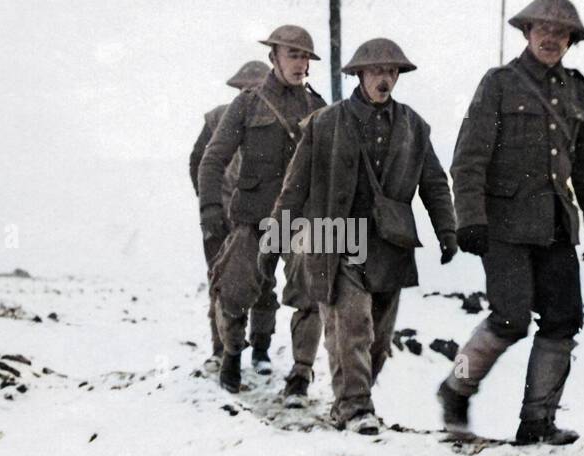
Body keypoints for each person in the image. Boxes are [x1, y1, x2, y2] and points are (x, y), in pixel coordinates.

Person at [439, 0, 584, 444]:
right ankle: (455, 387)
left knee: (563, 319)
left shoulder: (576, 89)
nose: (551, 38)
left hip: (555, 224)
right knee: (510, 318)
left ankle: (537, 422)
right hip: (504, 224)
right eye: (542, 30)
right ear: (527, 34)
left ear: (571, 40)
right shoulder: (499, 83)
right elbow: (468, 157)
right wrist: (469, 218)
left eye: (561, 32)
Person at [272, 38, 456, 432]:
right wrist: (275, 238)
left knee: (378, 341)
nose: (385, 78)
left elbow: (435, 183)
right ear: (359, 74)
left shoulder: (413, 126)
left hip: (390, 243)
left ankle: (353, 399)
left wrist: (447, 231)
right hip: (336, 239)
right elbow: (294, 187)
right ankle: (355, 405)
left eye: (391, 71)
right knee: (350, 326)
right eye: (376, 70)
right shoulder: (324, 123)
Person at [197, 26, 326, 393]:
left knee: (310, 291)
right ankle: (233, 355)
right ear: (274, 57)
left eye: (305, 57)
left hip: (298, 221)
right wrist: (210, 208)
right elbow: (212, 160)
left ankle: (301, 372)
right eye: (293, 55)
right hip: (252, 218)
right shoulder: (247, 104)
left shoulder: (317, 107)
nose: (300, 64)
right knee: (235, 289)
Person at [188, 60, 269, 372]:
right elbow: (199, 160)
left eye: (256, 87)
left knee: (262, 280)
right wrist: (209, 201)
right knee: (220, 281)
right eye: (244, 88)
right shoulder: (217, 119)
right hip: (221, 215)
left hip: (260, 216)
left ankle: (261, 349)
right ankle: (221, 348)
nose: (249, 93)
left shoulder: (275, 122)